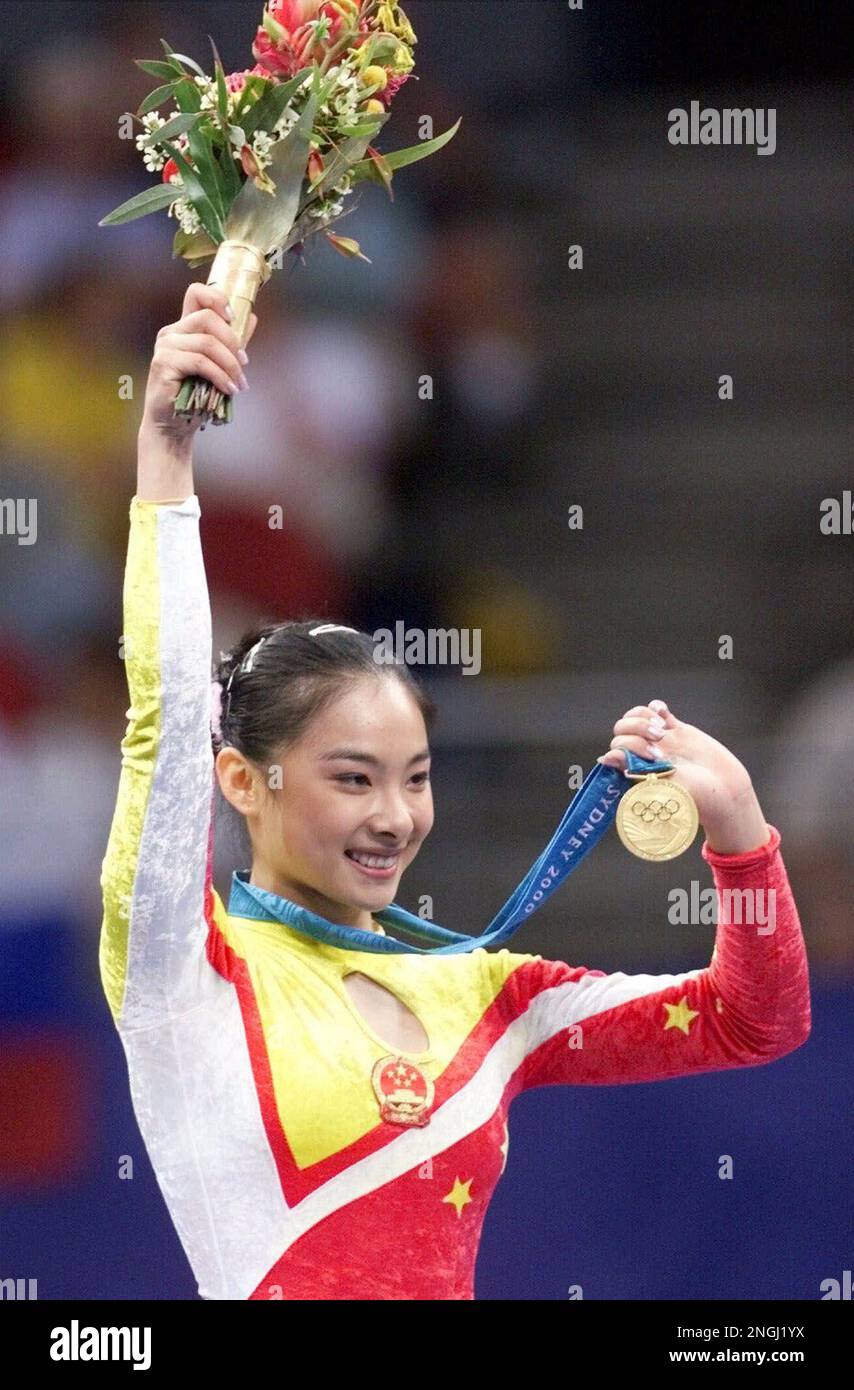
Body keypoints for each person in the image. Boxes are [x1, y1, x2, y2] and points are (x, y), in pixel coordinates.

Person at [99, 282, 811, 1301]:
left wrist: (738, 834)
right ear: (240, 779)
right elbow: (163, 721)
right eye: (352, 778)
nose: (393, 816)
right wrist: (166, 461)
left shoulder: (484, 992)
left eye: (415, 779)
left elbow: (754, 1020)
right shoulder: (185, 965)